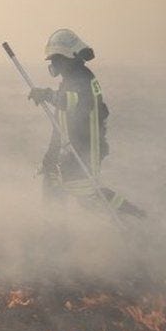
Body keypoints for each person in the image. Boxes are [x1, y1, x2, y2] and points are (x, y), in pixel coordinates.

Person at [28, 29, 145, 219]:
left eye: (56, 60)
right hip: (72, 148)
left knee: (88, 195)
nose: (53, 65)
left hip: (85, 148)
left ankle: (134, 217)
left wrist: (47, 94)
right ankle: (54, 232)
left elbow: (73, 101)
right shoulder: (70, 79)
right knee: (53, 184)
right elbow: (59, 123)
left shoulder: (83, 78)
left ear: (68, 57)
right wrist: (50, 156)